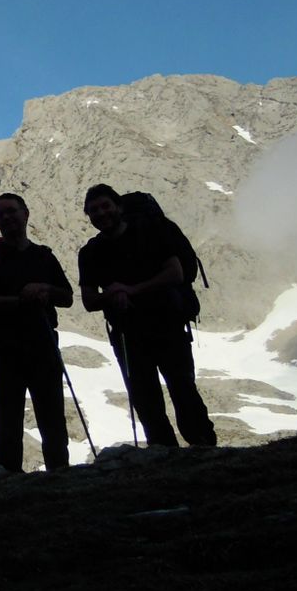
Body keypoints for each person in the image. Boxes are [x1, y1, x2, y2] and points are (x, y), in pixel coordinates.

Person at [77, 183, 217, 448]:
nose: (101, 214)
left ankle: (203, 447)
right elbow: (88, 300)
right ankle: (167, 457)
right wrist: (112, 295)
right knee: (147, 399)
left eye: (105, 206)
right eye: (94, 210)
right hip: (128, 334)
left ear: (119, 206)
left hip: (166, 324)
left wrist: (129, 290)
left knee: (182, 389)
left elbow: (175, 272)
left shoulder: (151, 232)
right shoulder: (90, 252)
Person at [0, 193, 73, 474]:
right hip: (8, 347)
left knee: (50, 415)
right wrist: (23, 300)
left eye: (11, 212)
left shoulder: (43, 256)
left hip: (41, 344)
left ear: (26, 214)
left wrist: (44, 290)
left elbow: (67, 296)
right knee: (11, 419)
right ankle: (13, 476)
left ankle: (56, 472)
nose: (6, 218)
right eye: (1, 215)